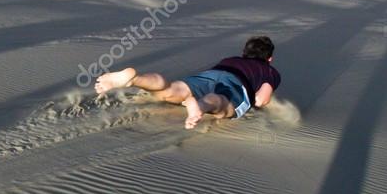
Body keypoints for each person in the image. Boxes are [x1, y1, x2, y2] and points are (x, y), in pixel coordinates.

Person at [95, 35, 281, 129]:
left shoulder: (231, 59)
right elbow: (261, 100)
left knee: (171, 89)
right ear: (269, 59)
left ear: (244, 52)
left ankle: (135, 79)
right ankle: (200, 106)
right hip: (238, 83)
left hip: (213, 73)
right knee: (220, 101)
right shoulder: (269, 71)